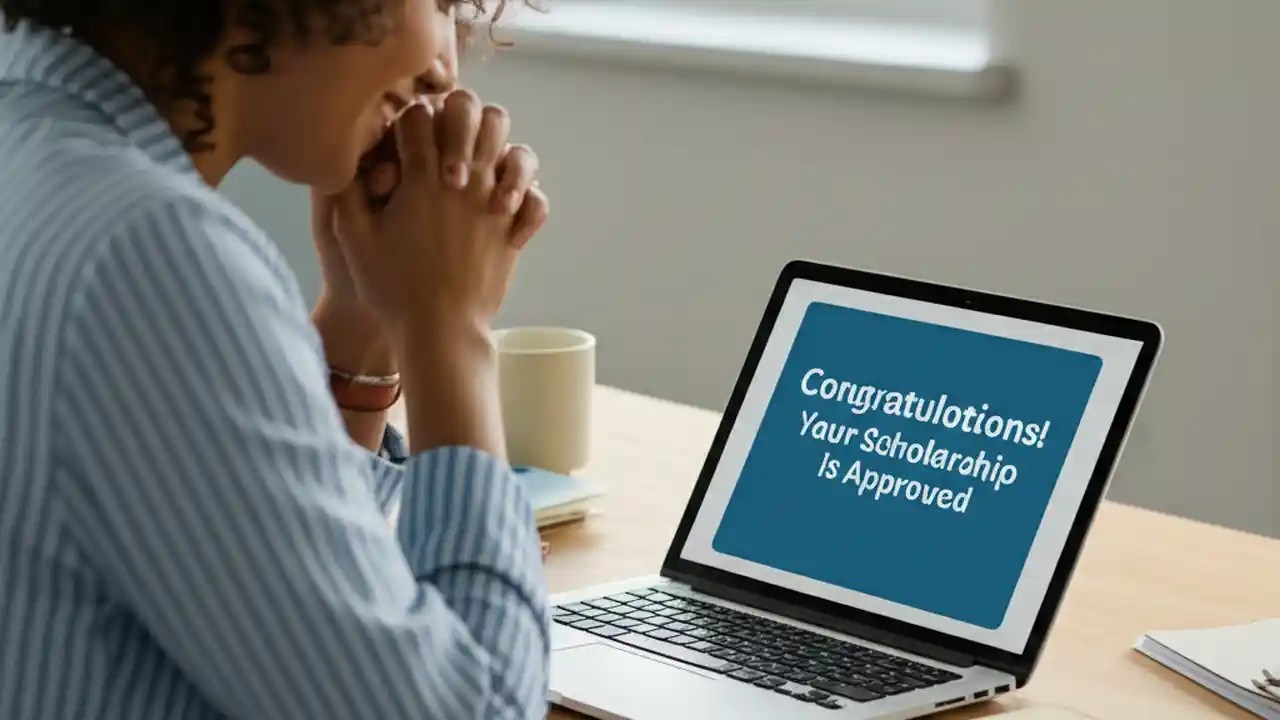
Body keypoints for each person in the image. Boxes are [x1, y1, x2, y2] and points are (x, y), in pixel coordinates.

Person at [0, 1, 552, 718]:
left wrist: (362, 326)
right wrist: (449, 330)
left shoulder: (32, 150)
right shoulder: (156, 255)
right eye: (440, 3)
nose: (446, 65)